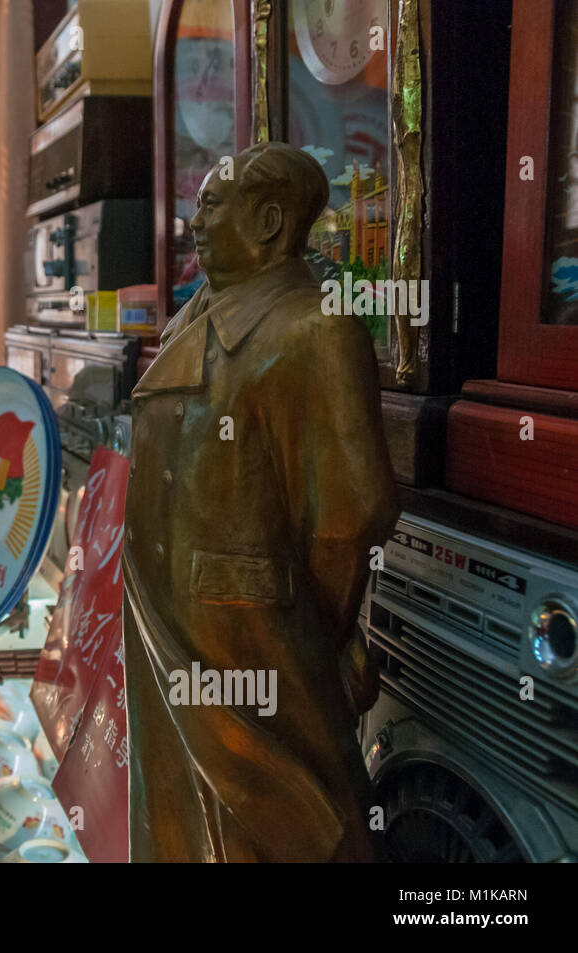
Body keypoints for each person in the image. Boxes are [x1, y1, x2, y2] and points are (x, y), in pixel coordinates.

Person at [123, 141, 398, 862]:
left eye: (212, 206)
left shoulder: (316, 331)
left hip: (252, 647)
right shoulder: (195, 320)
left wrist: (315, 634)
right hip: (168, 628)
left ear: (272, 221)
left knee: (294, 824)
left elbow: (352, 517)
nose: (194, 223)